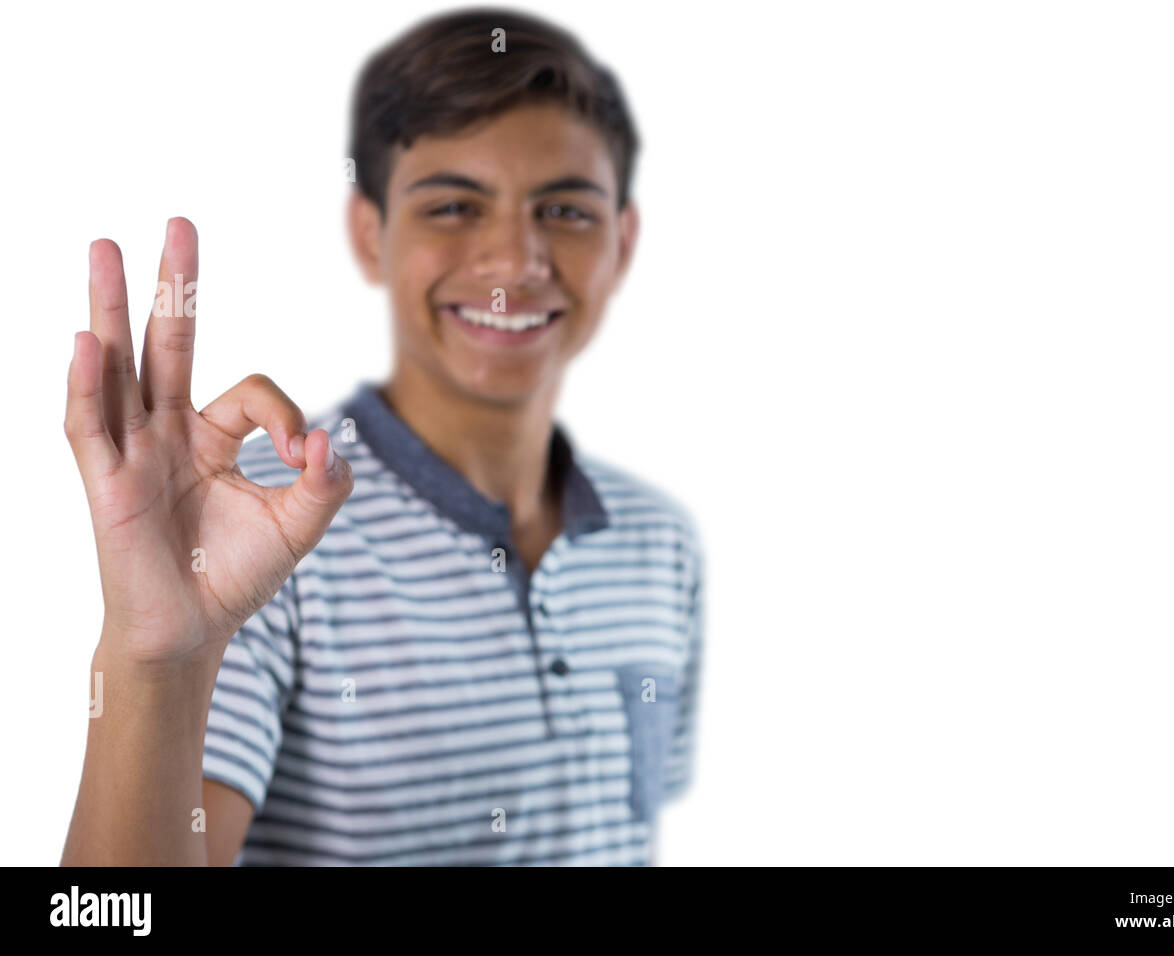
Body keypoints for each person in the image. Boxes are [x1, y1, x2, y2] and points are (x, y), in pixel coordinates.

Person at [60, 7, 705, 866]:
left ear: (622, 243)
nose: (514, 263)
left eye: (564, 209)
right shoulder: (254, 531)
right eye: (453, 206)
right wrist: (156, 657)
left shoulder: (661, 544)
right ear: (371, 232)